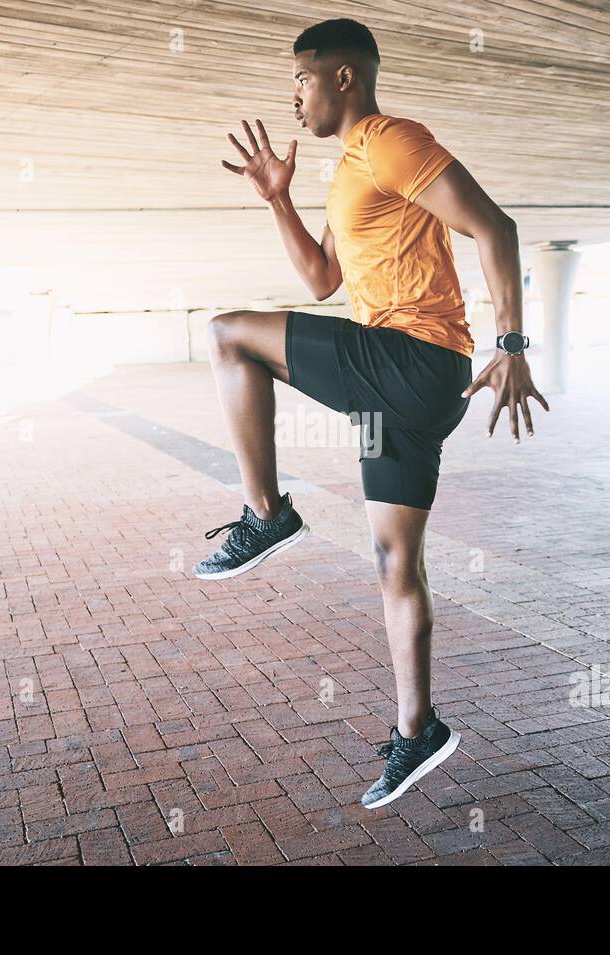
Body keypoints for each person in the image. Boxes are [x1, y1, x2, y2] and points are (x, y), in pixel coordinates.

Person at [196, 18, 548, 809]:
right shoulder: (349, 168)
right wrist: (279, 199)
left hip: (412, 357)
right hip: (412, 389)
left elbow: (495, 225)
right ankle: (418, 728)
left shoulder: (390, 139)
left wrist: (513, 342)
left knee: (228, 335)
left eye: (302, 78)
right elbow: (321, 277)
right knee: (396, 564)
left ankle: (266, 514)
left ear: (345, 77)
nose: (293, 96)